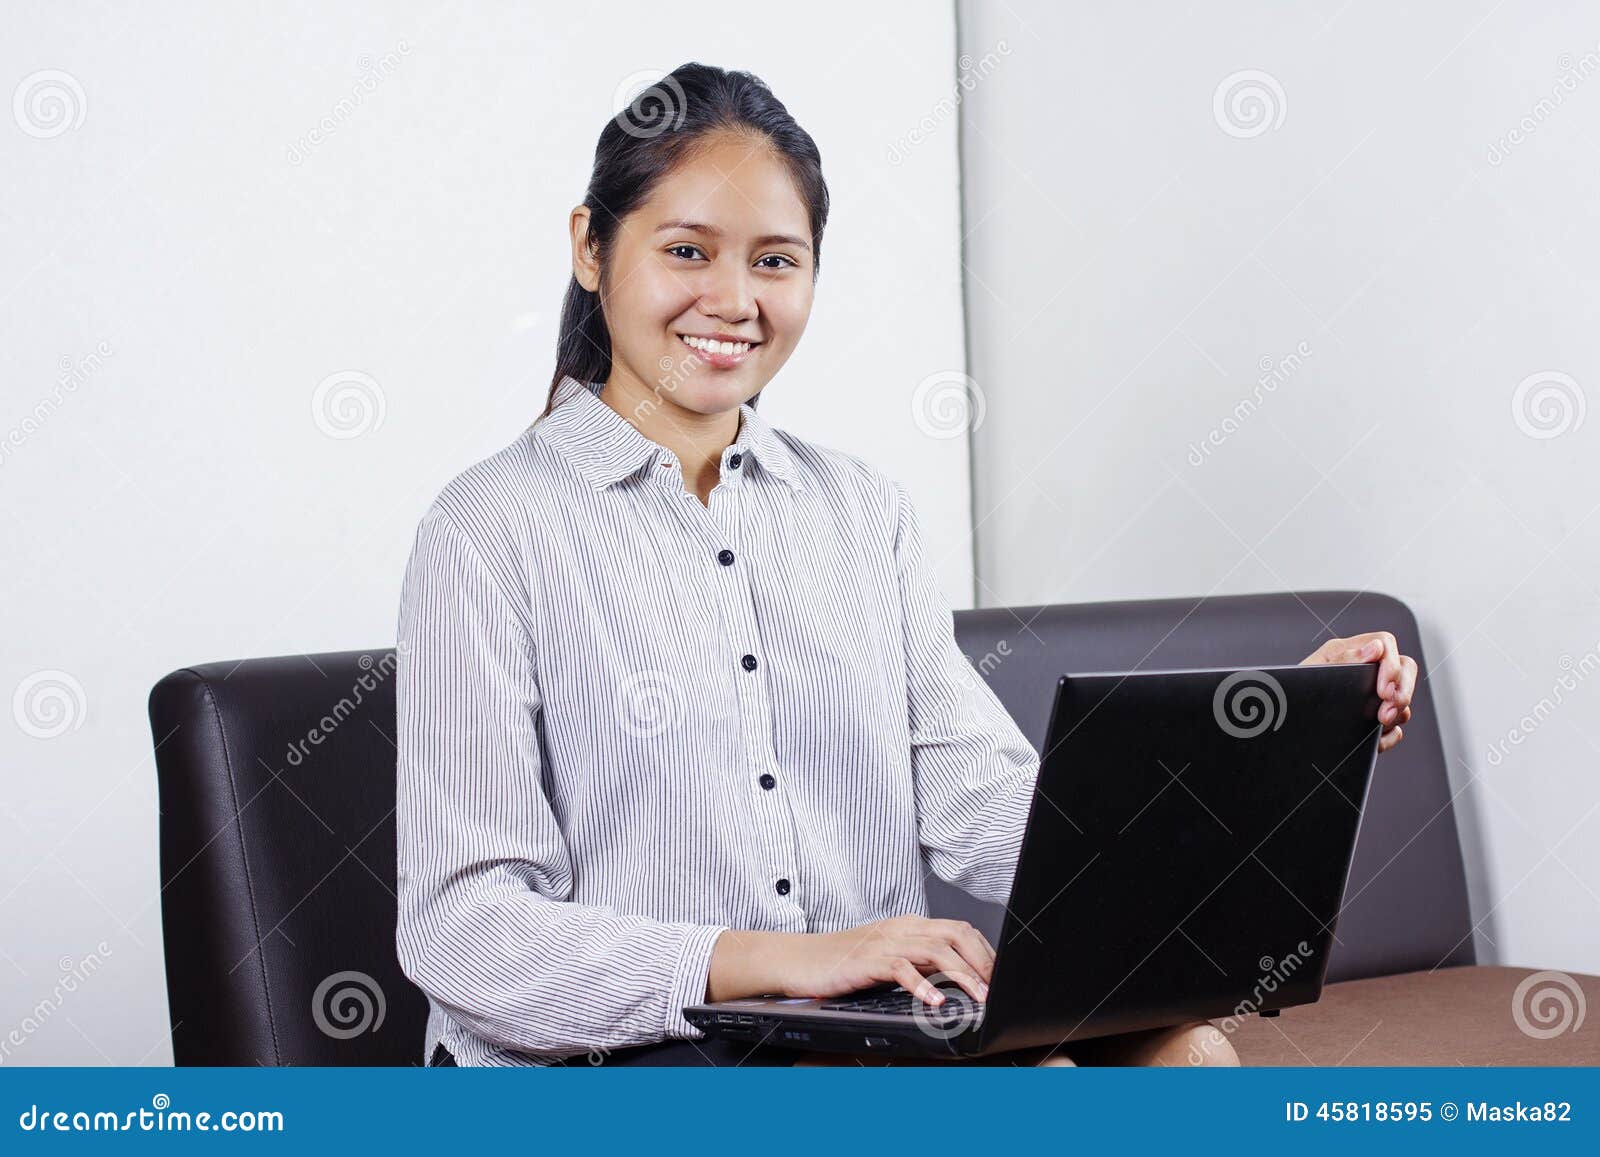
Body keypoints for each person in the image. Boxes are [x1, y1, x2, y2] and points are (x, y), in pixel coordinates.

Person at [395, 62, 1418, 1070]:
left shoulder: (861, 512)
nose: (733, 298)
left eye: (775, 261)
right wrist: (782, 962)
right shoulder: (487, 530)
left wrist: (1272, 743)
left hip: (853, 1033)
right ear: (590, 246)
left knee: (1189, 1055)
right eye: (686, 250)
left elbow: (979, 799)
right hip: (623, 1054)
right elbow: (463, 928)